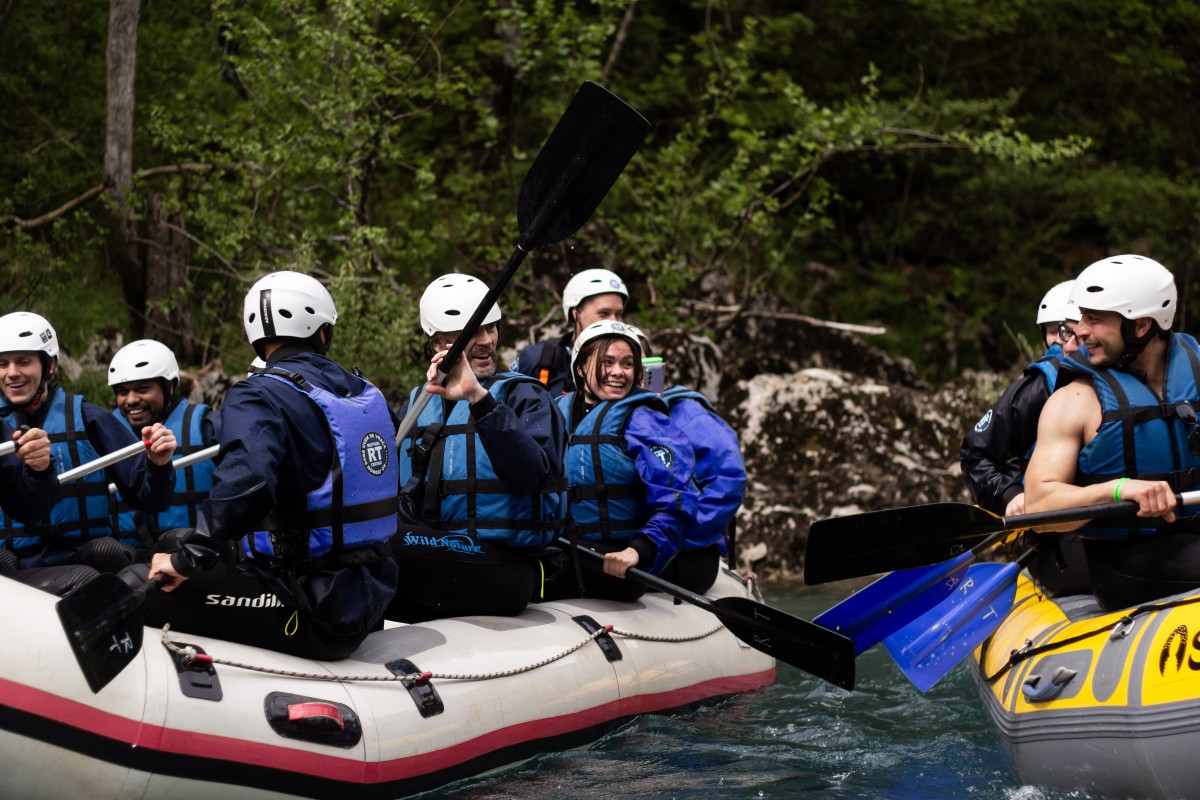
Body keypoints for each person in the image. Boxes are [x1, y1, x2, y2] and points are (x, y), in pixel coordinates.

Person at [135, 271, 399, 660]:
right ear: (322, 333)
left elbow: (247, 483)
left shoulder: (256, 394)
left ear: (254, 337)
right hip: (370, 595)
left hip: (309, 606)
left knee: (135, 580)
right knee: (174, 538)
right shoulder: (363, 392)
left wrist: (186, 560)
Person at [1025, 255, 1200, 610]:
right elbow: (1038, 507)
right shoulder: (1074, 399)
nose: (1079, 330)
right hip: (1127, 563)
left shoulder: (1194, 371)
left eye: (1094, 319)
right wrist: (1118, 488)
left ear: (1141, 326)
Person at [389, 273, 567, 622]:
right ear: (438, 339)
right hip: (442, 558)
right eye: (474, 332)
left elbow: (536, 474)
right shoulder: (417, 405)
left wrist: (477, 397)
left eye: (492, 328)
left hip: (506, 566)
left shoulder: (525, 395)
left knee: (385, 545)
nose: (487, 341)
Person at [0, 312, 177, 595]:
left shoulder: (89, 418)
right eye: (2, 363)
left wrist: (159, 464)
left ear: (50, 365)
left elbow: (149, 498)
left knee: (110, 554)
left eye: (23, 361)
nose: (12, 373)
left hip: (79, 551)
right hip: (13, 560)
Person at [545, 320, 698, 602]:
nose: (618, 372)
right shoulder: (554, 412)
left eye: (627, 364)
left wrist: (638, 550)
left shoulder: (646, 420)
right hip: (562, 548)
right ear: (580, 368)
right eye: (607, 362)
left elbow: (676, 502)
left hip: (617, 560)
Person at [960, 280, 1089, 595]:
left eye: (1067, 331)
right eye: (1054, 332)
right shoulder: (1036, 389)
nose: (1061, 343)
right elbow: (976, 453)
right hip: (1060, 534)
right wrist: (1012, 495)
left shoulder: (1133, 381)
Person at [635, 327, 746, 594]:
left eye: (633, 363)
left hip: (683, 553)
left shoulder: (686, 412)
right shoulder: (602, 419)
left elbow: (729, 481)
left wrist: (671, 538)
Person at [107, 339, 219, 553]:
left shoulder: (209, 426)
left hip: (194, 554)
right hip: (128, 557)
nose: (130, 400)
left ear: (169, 387)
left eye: (142, 389)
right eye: (122, 391)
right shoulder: (105, 433)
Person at [512, 268, 628, 394]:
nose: (614, 321)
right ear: (576, 313)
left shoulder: (632, 360)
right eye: (604, 313)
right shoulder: (536, 358)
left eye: (619, 314)